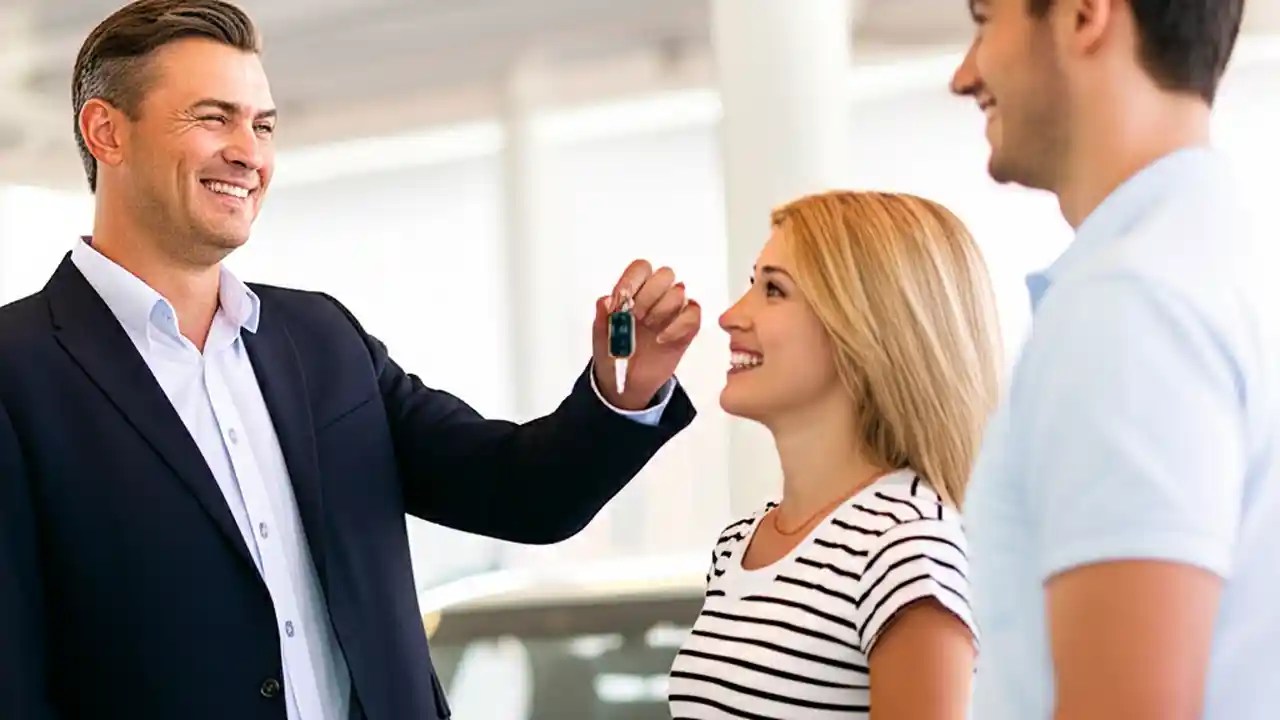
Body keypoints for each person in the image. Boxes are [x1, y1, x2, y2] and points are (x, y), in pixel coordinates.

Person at [0, 1, 702, 719]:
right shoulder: (17, 372)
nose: (249, 153)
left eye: (263, 125)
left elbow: (522, 492)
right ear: (107, 132)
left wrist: (625, 392)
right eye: (213, 118)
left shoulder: (321, 341)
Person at [951, 1, 1275, 718]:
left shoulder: (1131, 303)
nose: (963, 75)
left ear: (1082, 15)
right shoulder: (1225, 264)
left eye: (985, 20)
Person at [668, 191, 1003, 719]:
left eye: (774, 290)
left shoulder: (905, 546)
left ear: (865, 324)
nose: (731, 316)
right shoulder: (738, 545)